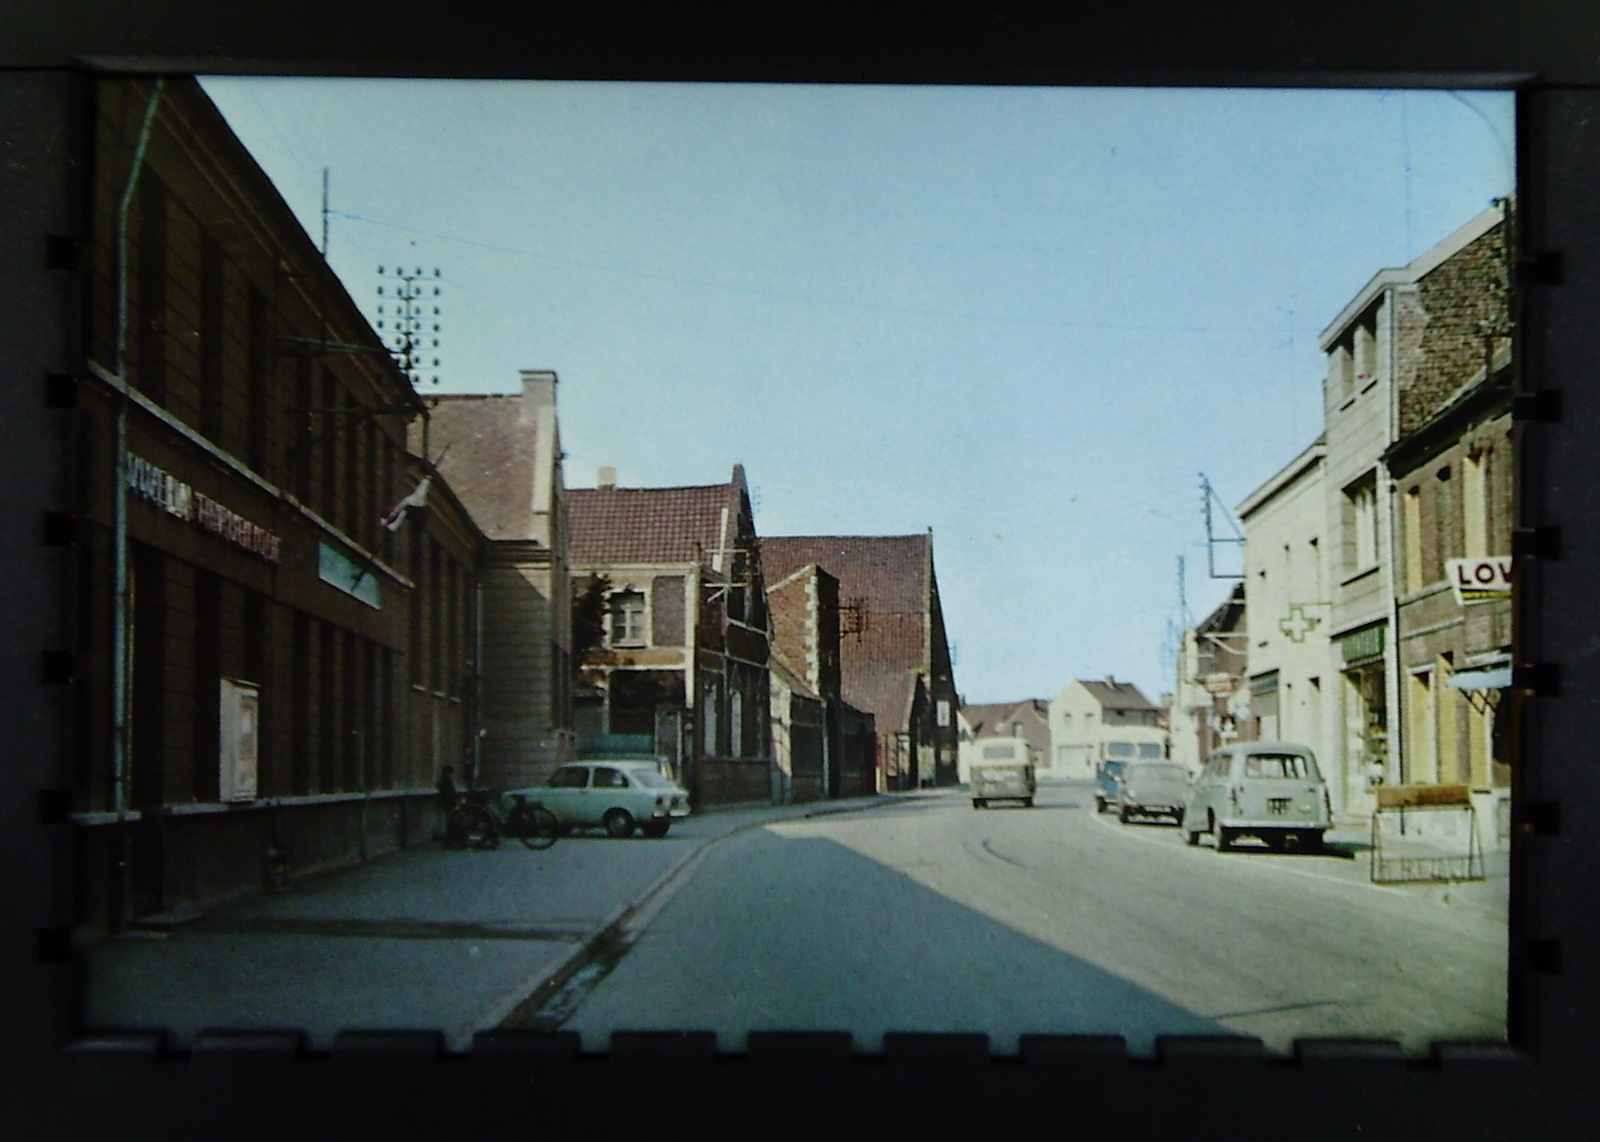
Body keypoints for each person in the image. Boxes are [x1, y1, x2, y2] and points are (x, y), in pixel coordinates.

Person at [437, 765, 459, 845]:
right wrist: (453, 805)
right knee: (451, 823)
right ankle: (449, 840)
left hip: (449, 805)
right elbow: (449, 795)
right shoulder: (446, 782)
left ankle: (449, 840)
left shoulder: (444, 782)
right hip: (449, 805)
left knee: (451, 822)